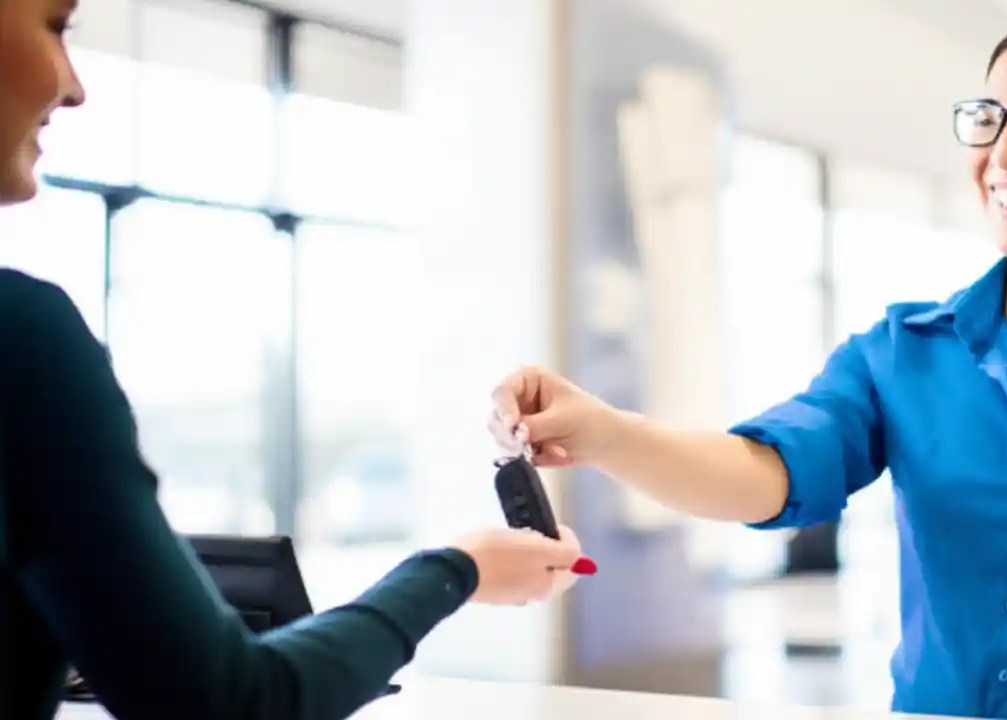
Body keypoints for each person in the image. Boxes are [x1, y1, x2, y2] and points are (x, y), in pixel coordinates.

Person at [491, 15, 1007, 720]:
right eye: (989, 119)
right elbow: (769, 473)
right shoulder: (902, 353)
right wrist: (606, 434)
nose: (1004, 152)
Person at [0, 1, 596, 719]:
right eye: (57, 29)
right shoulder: (22, 337)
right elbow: (233, 703)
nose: (74, 87)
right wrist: (458, 570)